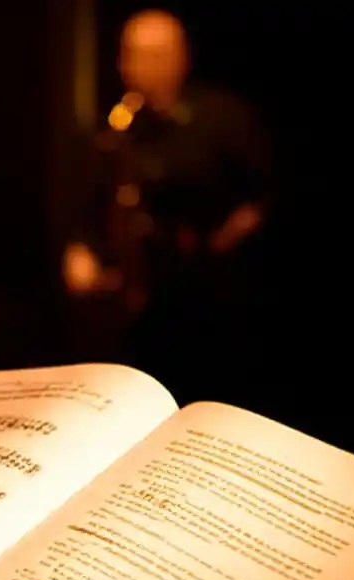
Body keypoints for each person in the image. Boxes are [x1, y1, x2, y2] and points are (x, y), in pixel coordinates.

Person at [63, 8, 272, 398]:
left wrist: (225, 241)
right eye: (131, 54)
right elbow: (91, 204)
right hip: (134, 303)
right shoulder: (116, 125)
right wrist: (82, 250)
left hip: (209, 298)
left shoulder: (223, 118)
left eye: (154, 55)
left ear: (182, 57)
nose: (139, 66)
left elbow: (262, 196)